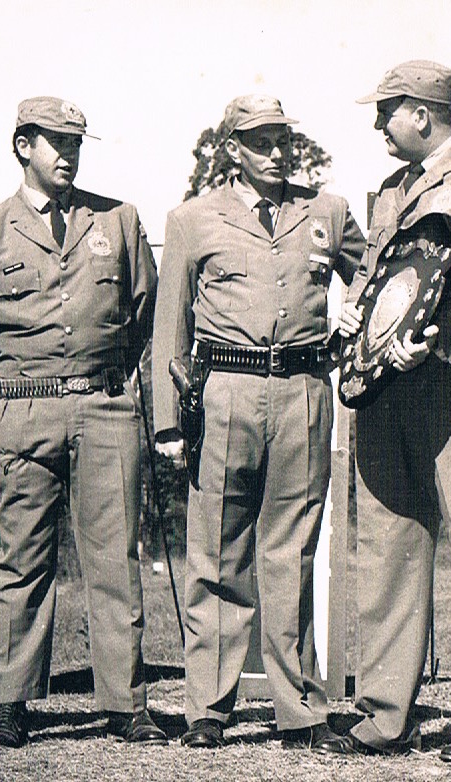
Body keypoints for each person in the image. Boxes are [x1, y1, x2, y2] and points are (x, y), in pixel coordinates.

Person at [0, 96, 165, 748]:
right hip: (23, 409)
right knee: (21, 563)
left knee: (115, 561)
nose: (67, 154)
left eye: (76, 143)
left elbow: (142, 309)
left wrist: (113, 387)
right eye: (54, 142)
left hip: (105, 410)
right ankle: (11, 705)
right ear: (23, 146)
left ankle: (126, 705)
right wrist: (15, 390)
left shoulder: (118, 220)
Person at [152, 94, 364, 752]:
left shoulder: (325, 211)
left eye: (283, 139)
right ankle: (208, 707)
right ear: (233, 147)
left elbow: (381, 271)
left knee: (292, 553)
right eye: (260, 140)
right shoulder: (192, 219)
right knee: (215, 552)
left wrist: (360, 314)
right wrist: (166, 423)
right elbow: (169, 325)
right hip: (224, 391)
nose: (276, 152)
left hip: (303, 388)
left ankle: (300, 708)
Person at [335, 60, 451, 761]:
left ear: (422, 112)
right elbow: (373, 282)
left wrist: (436, 343)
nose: (377, 123)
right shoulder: (392, 190)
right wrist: (359, 339)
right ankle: (385, 713)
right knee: (388, 543)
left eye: (386, 109)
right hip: (389, 387)